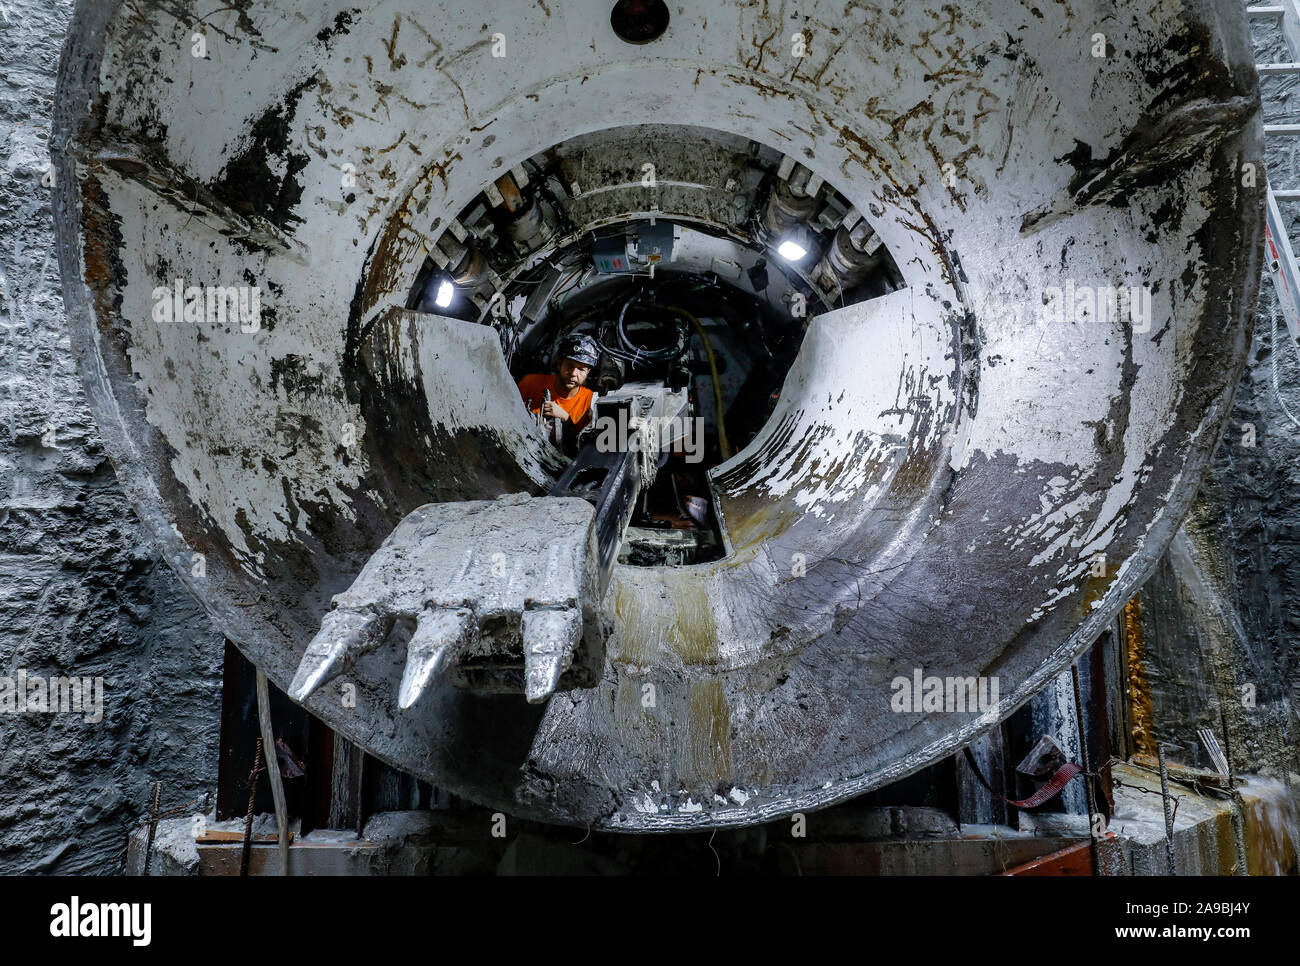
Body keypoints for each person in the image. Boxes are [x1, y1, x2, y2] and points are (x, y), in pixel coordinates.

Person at [517, 334, 599, 450]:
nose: (573, 373)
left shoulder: (590, 400)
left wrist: (566, 418)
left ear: (588, 372)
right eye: (569, 366)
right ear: (559, 364)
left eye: (581, 369)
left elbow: (583, 447)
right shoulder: (530, 383)